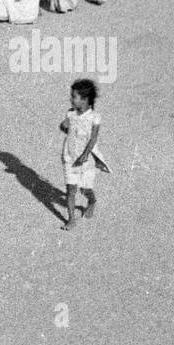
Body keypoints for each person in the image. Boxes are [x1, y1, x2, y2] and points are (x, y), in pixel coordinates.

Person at [60, 78, 102, 231]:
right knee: (70, 189)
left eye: (74, 97)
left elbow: (93, 138)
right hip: (69, 157)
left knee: (84, 189)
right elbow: (65, 127)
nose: (71, 99)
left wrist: (85, 155)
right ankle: (71, 220)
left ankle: (92, 201)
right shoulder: (70, 114)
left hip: (86, 160)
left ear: (84, 100)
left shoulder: (94, 117)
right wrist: (63, 126)